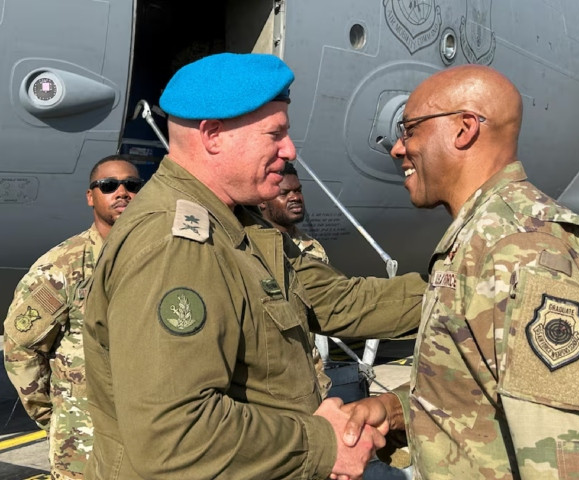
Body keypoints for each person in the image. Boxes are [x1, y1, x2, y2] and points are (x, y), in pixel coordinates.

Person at [82, 53, 427, 480]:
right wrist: (323, 444)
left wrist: (457, 288)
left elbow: (336, 300)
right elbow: (174, 435)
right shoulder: (175, 244)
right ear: (213, 136)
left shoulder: (239, 225)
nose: (290, 150)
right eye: (275, 134)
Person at [341, 65, 579, 479]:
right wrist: (396, 409)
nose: (397, 148)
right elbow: (485, 387)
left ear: (465, 129)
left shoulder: (522, 251)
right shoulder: (483, 236)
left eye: (409, 129)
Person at [3, 155, 142, 479]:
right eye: (109, 185)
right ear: (91, 197)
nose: (121, 192)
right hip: (82, 442)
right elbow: (19, 349)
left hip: (147, 435)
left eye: (131, 185)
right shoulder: (62, 267)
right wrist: (55, 415)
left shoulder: (161, 256)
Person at [259, 162, 332, 399]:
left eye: (298, 191)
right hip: (273, 383)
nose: (295, 198)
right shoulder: (253, 251)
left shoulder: (313, 249)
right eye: (284, 193)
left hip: (313, 379)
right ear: (262, 201)